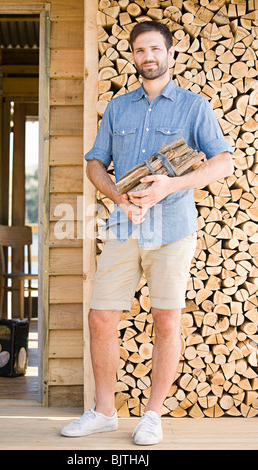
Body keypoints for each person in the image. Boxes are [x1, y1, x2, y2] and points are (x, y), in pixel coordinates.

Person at [61, 20, 234, 445]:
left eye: (155, 49)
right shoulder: (119, 108)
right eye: (140, 50)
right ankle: (104, 412)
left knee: (166, 319)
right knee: (101, 318)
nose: (148, 57)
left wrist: (170, 185)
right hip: (123, 226)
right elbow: (95, 163)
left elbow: (224, 162)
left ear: (170, 54)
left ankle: (152, 415)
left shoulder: (194, 107)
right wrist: (118, 198)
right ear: (133, 56)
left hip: (172, 229)